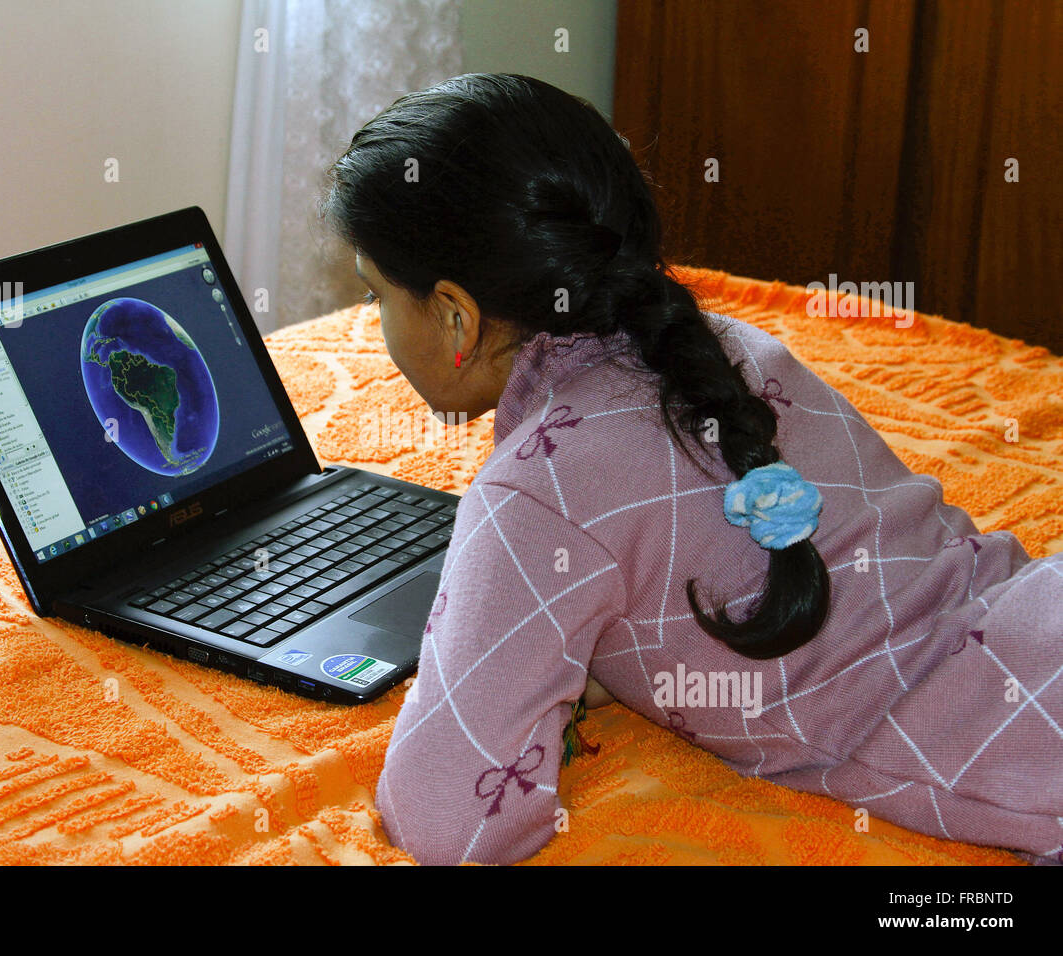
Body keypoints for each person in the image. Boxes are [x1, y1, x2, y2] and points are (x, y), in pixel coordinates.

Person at [319, 73, 1063, 866]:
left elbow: (452, 824)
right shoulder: (730, 349)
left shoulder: (537, 496)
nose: (376, 327)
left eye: (376, 299)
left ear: (455, 316)